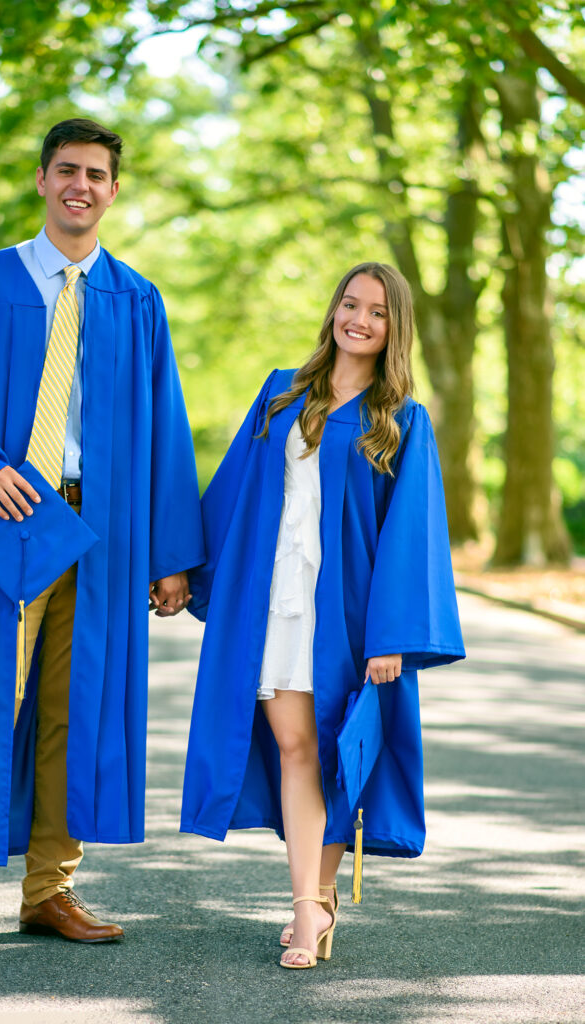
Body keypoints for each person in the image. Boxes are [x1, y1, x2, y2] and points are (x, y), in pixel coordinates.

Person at [0, 118, 204, 955]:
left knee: (75, 709)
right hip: (7, 519)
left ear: (113, 190)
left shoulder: (136, 301)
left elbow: (163, 429)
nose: (80, 185)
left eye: (96, 174)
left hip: (99, 534)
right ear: (41, 181)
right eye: (65, 170)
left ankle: (50, 890)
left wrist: (171, 553)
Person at [180, 263, 465, 969]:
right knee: (294, 748)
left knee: (333, 753)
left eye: (376, 311)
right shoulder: (281, 395)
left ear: (393, 327)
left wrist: (391, 634)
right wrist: (185, 571)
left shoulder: (400, 420)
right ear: (332, 310)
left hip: (344, 612)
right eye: (349, 304)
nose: (358, 319)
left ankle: (314, 902)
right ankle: (311, 904)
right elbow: (232, 495)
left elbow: (411, 529)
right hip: (274, 602)